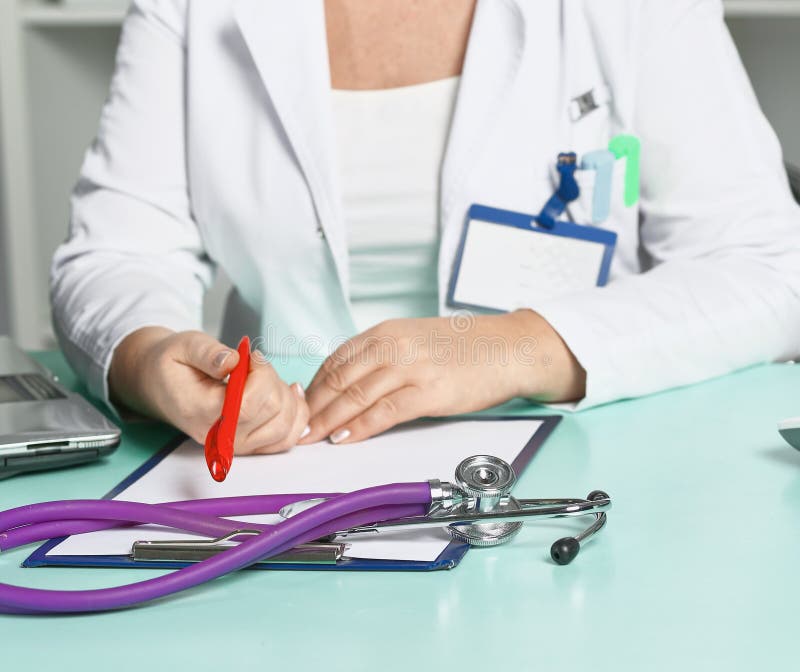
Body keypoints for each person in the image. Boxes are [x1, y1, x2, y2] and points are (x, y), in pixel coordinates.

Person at [51, 0, 800, 455]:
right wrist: (150, 360)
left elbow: (770, 266)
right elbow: (117, 251)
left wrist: (517, 346)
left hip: (589, 462)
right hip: (283, 473)